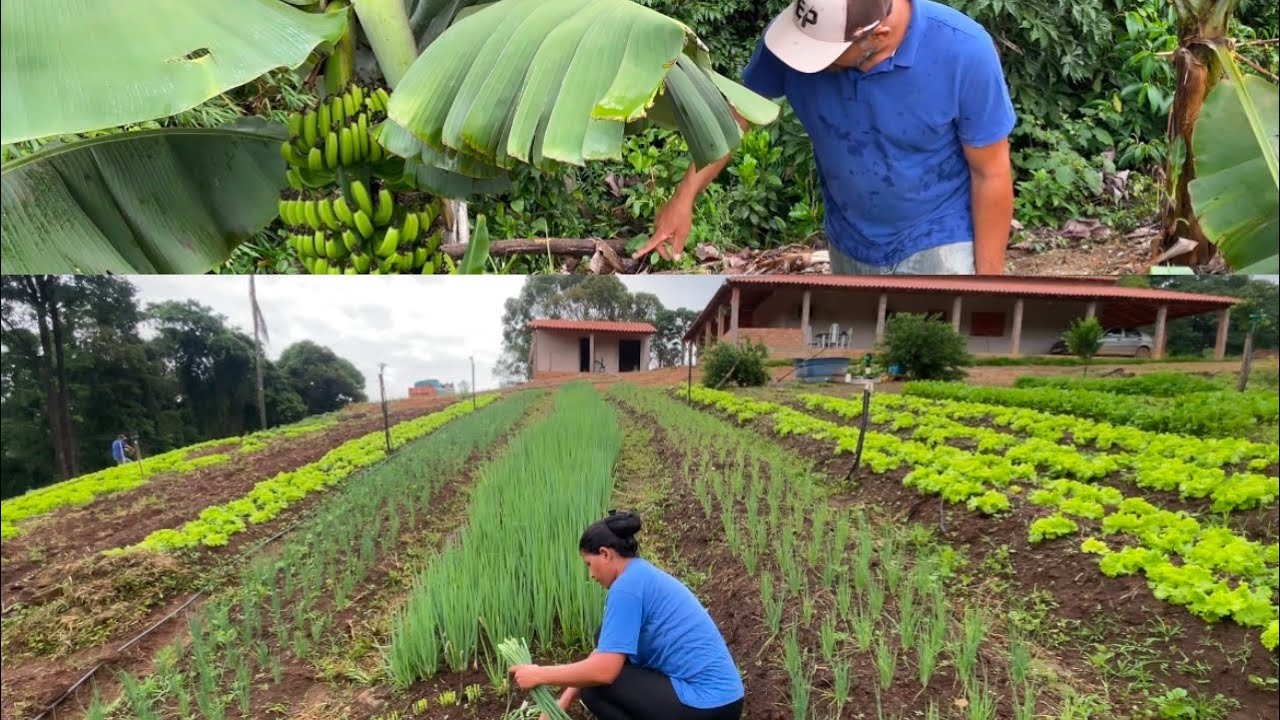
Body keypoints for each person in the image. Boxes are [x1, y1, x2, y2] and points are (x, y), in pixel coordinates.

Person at [633, 0, 1016, 275]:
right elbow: (736, 115)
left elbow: (991, 173)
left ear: (877, 36)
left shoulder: (963, 51)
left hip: (940, 237)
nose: (803, 60)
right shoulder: (792, 42)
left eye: (823, 55)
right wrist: (684, 197)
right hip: (850, 241)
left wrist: (989, 283)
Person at [508, 511, 744, 720]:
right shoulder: (639, 575)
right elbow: (602, 652)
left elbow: (603, 671)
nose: (590, 574)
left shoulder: (627, 588)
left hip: (707, 704)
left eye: (589, 564)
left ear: (605, 554)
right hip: (725, 701)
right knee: (603, 637)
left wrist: (539, 674)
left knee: (596, 688)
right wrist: (562, 702)